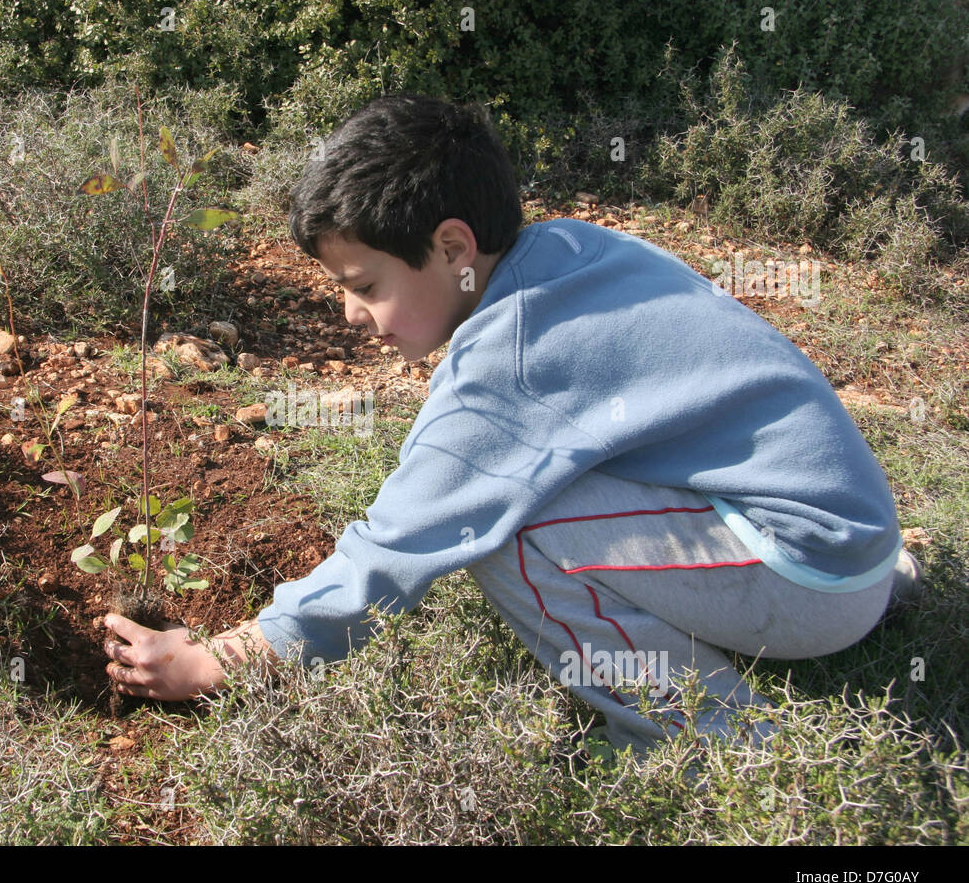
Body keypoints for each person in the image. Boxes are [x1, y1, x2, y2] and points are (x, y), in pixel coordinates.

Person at [103, 93, 918, 751]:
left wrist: (220, 660)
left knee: (509, 528)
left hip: (813, 574)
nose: (351, 314)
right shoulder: (566, 252)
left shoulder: (514, 358)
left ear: (454, 245)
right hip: (852, 540)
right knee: (525, 486)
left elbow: (401, 541)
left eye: (365, 284)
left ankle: (711, 738)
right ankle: (826, 600)